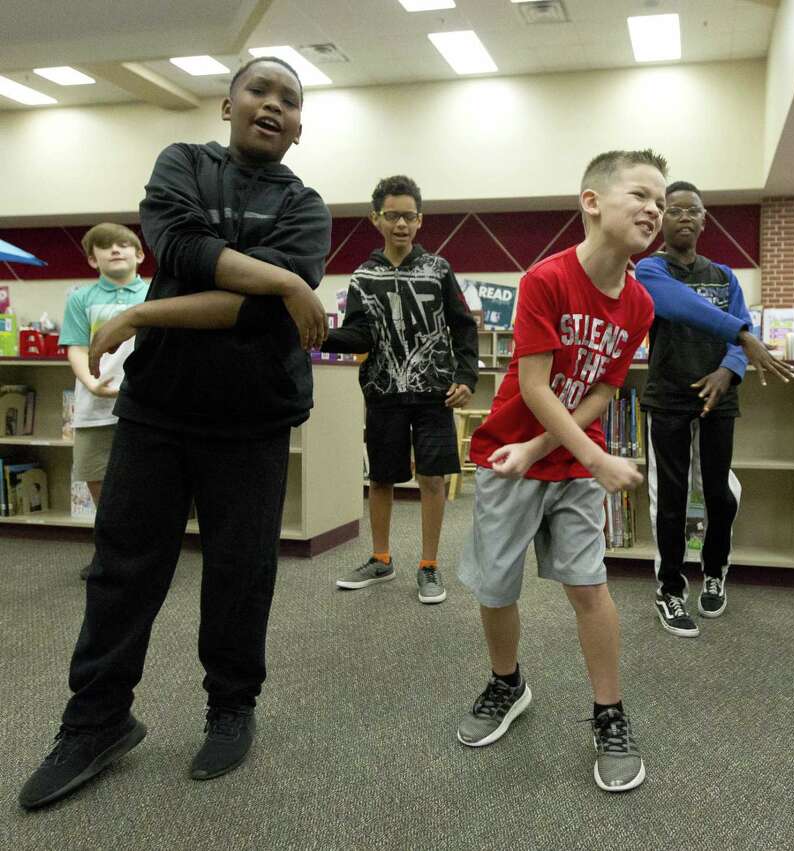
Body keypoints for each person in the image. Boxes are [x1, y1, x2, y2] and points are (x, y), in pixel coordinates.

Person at [19, 56, 332, 810]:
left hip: (253, 419)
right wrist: (281, 280)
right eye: (258, 90)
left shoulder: (307, 206)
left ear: (299, 127)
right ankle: (95, 721)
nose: (272, 105)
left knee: (238, 573)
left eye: (289, 101)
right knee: (122, 570)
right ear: (227, 104)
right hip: (157, 410)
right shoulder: (183, 164)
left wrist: (138, 313)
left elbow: (252, 311)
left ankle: (231, 707)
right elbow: (182, 251)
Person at [455, 149, 662, 792]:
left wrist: (570, 454)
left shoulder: (640, 306)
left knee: (587, 586)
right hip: (511, 456)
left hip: (567, 461)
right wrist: (587, 455)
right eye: (641, 194)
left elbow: (601, 390)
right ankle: (507, 683)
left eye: (663, 199)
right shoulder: (545, 280)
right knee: (496, 586)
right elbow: (538, 387)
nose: (654, 208)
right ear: (592, 201)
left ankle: (609, 713)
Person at [632, 180, 792, 636]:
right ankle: (669, 589)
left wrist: (729, 369)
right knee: (672, 500)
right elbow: (680, 307)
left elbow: (742, 331)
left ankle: (716, 570)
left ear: (705, 220)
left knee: (719, 494)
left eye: (693, 211)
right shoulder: (650, 271)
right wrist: (741, 334)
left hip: (720, 397)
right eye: (675, 210)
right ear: (662, 219)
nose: (684, 216)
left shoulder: (724, 276)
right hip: (668, 397)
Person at [321, 174, 478, 603]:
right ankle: (381, 558)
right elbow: (358, 336)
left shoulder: (438, 270)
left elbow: (463, 327)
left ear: (420, 220)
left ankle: (429, 566)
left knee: (432, 478)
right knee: (383, 479)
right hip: (383, 392)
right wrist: (317, 335)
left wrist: (466, 376)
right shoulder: (362, 276)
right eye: (393, 216)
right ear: (376, 219)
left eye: (409, 216)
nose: (401, 224)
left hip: (434, 395)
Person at [60, 223, 149, 580]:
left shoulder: (155, 293)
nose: (115, 250)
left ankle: (145, 555)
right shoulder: (80, 298)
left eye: (123, 244)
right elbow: (77, 347)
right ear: (92, 259)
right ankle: (111, 553)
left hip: (144, 407)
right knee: (99, 481)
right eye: (105, 246)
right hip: (94, 408)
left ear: (139, 254)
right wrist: (93, 384)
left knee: (144, 484)